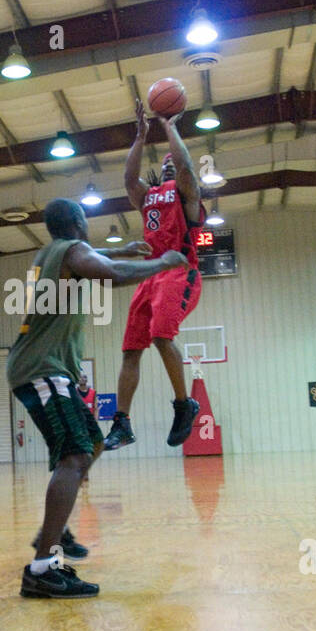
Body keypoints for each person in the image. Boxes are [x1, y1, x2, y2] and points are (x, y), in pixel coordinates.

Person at [7, 197, 187, 598]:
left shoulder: (51, 252)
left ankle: (54, 534)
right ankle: (41, 567)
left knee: (92, 442)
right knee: (73, 457)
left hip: (49, 369)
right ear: (77, 221)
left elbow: (96, 257)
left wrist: (120, 250)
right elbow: (106, 273)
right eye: (85, 219)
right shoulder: (72, 252)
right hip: (40, 369)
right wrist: (161, 264)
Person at [103, 101, 203, 451]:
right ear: (162, 171)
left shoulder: (187, 196)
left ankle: (183, 404)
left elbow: (188, 166)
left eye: (176, 163)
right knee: (131, 351)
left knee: (162, 335)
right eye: (169, 163)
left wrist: (169, 126)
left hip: (180, 271)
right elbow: (129, 179)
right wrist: (141, 135)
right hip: (150, 275)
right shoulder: (148, 197)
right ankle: (122, 423)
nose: (174, 164)